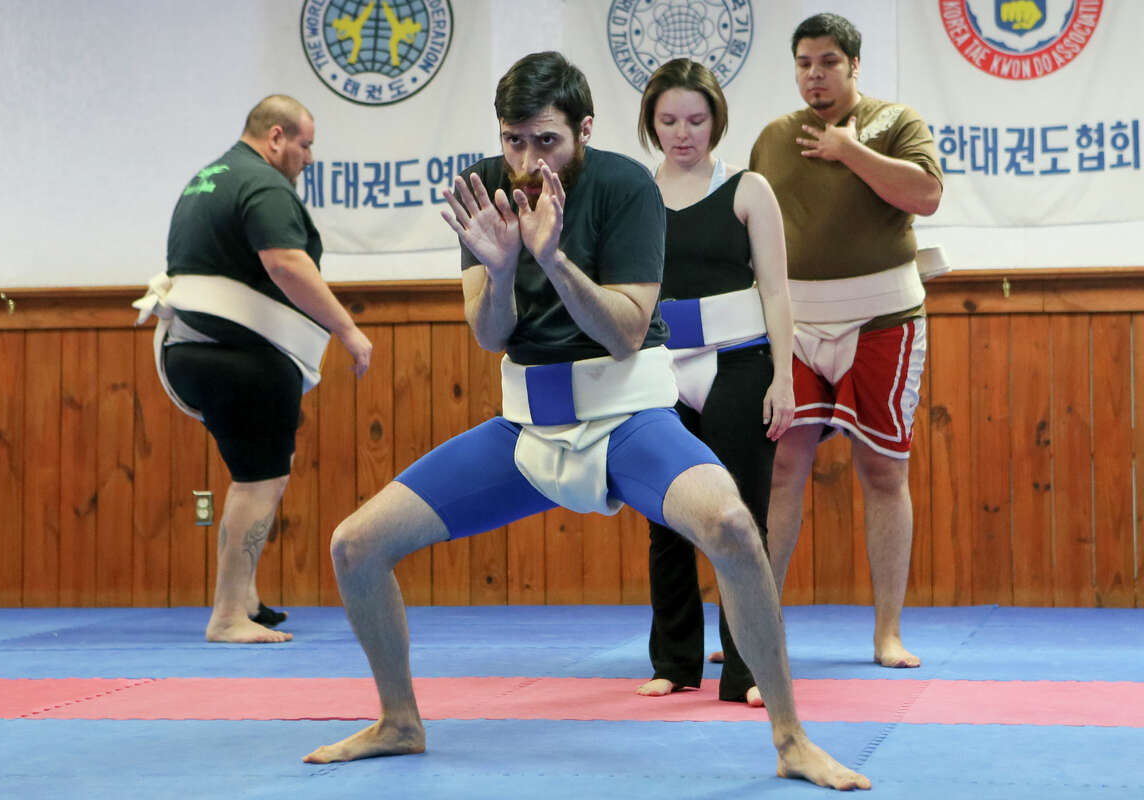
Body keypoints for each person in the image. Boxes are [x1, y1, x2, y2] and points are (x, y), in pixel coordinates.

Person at [303, 51, 869, 791]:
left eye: (546, 141)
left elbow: (629, 330)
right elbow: (488, 333)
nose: (528, 159)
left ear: (585, 130)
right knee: (354, 546)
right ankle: (399, 720)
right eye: (514, 140)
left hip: (626, 417)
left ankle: (791, 737)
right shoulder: (486, 190)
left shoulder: (626, 187)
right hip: (526, 428)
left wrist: (556, 261)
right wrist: (503, 268)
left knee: (731, 526)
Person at [133, 95, 373, 644]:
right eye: (305, 144)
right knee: (259, 480)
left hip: (188, 348)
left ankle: (244, 598)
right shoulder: (263, 184)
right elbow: (286, 263)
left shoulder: (209, 178)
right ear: (276, 137)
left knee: (255, 475)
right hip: (238, 356)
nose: (309, 158)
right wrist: (347, 329)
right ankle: (226, 616)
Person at [749, 14, 943, 668]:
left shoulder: (897, 123)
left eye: (828, 61)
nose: (814, 74)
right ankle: (757, 624)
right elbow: (746, 230)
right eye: (804, 62)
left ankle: (888, 630)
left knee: (883, 469)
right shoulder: (773, 139)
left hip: (882, 320)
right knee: (782, 464)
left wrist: (849, 149)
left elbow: (926, 196)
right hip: (795, 325)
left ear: (854, 66)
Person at [632, 59, 794, 708]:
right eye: (668, 120)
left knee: (741, 519)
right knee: (664, 518)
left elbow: (777, 290)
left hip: (741, 361)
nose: (683, 133)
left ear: (717, 120)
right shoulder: (637, 196)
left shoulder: (749, 189)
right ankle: (674, 660)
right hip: (660, 368)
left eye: (696, 120)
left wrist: (785, 376)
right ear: (651, 123)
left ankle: (750, 669)